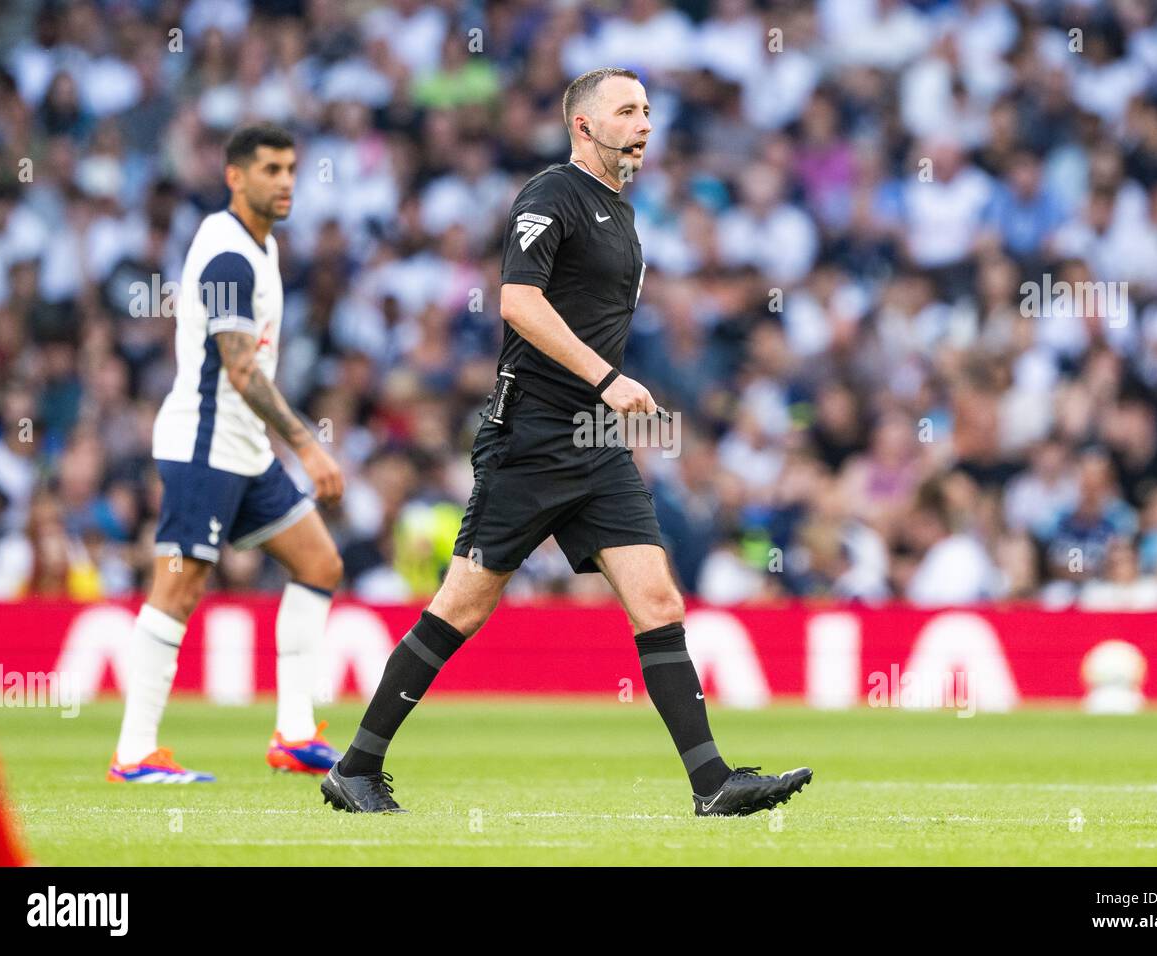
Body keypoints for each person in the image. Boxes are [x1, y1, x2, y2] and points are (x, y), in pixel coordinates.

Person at [322, 68, 812, 817]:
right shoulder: (551, 194)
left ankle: (712, 783)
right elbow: (518, 301)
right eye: (626, 110)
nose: (644, 122)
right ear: (584, 125)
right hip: (532, 436)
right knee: (464, 604)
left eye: (648, 109)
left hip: (594, 440)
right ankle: (356, 766)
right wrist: (607, 378)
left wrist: (606, 396)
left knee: (656, 596)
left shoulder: (621, 210)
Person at [109, 124, 346, 783]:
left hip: (243, 452)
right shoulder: (229, 257)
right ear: (235, 176)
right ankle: (133, 754)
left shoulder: (258, 248)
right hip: (203, 445)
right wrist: (308, 447)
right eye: (270, 168)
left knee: (320, 563)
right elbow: (240, 369)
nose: (286, 180)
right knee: (180, 589)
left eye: (292, 167)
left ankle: (295, 735)